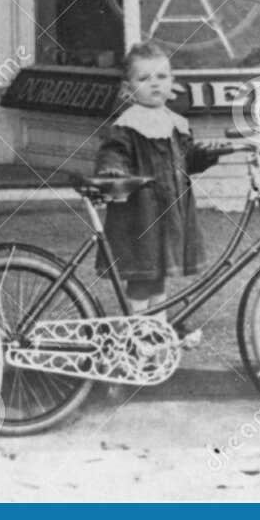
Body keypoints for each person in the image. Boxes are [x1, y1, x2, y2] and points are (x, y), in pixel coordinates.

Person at [93, 42, 222, 336]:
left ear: (172, 82)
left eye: (162, 77)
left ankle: (157, 330)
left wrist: (207, 154)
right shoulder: (127, 126)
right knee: (142, 278)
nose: (154, 84)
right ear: (128, 89)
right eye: (144, 78)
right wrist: (113, 170)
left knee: (160, 275)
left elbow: (188, 160)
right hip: (139, 217)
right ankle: (137, 332)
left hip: (170, 215)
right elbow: (112, 153)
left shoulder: (175, 124)